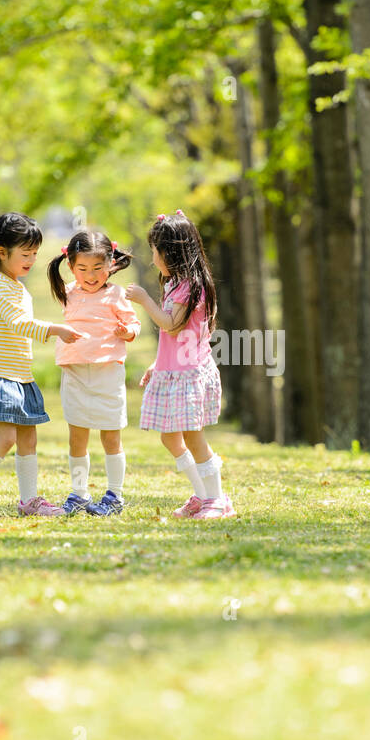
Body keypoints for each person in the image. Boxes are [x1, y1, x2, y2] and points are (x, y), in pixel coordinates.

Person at [0, 212, 82, 516]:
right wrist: (56, 330)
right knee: (6, 437)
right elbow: (19, 324)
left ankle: (29, 501)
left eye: (35, 253)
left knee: (28, 437)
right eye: (25, 253)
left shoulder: (17, 286)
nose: (32, 259)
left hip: (18, 375)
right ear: (1, 251)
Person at [126, 210, 235, 519]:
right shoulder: (176, 283)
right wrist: (158, 363)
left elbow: (172, 325)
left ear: (170, 251)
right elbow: (180, 337)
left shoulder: (190, 286)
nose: (152, 258)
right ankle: (203, 494)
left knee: (192, 436)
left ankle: (216, 499)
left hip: (189, 375)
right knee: (169, 437)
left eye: (155, 251)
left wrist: (145, 300)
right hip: (176, 370)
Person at [47, 230, 141, 516]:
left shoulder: (115, 294)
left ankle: (115, 495)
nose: (90, 275)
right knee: (77, 436)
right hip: (75, 373)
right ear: (71, 266)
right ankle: (79, 493)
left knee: (111, 437)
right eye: (82, 268)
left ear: (110, 264)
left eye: (97, 268)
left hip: (108, 373)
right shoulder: (67, 292)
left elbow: (133, 322)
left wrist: (128, 332)